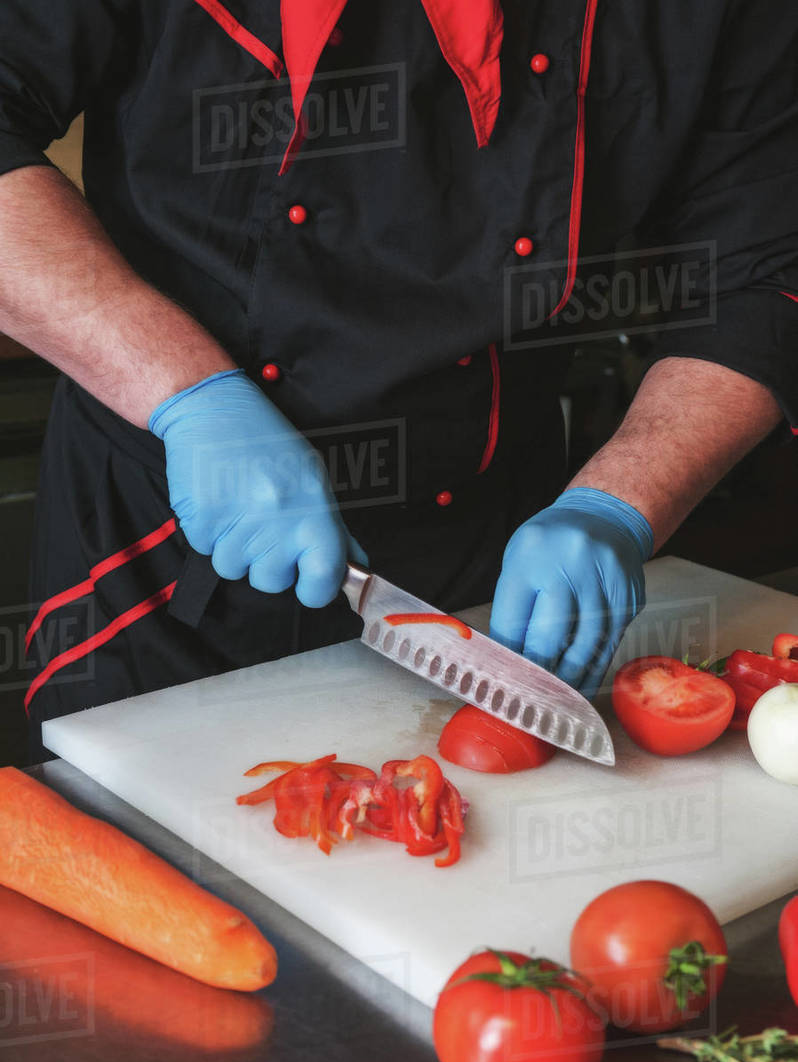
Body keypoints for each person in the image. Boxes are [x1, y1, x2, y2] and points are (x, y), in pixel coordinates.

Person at [0, 0, 795, 760]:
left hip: (496, 566)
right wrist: (187, 396)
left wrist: (619, 500)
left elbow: (765, 267)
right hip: (164, 547)